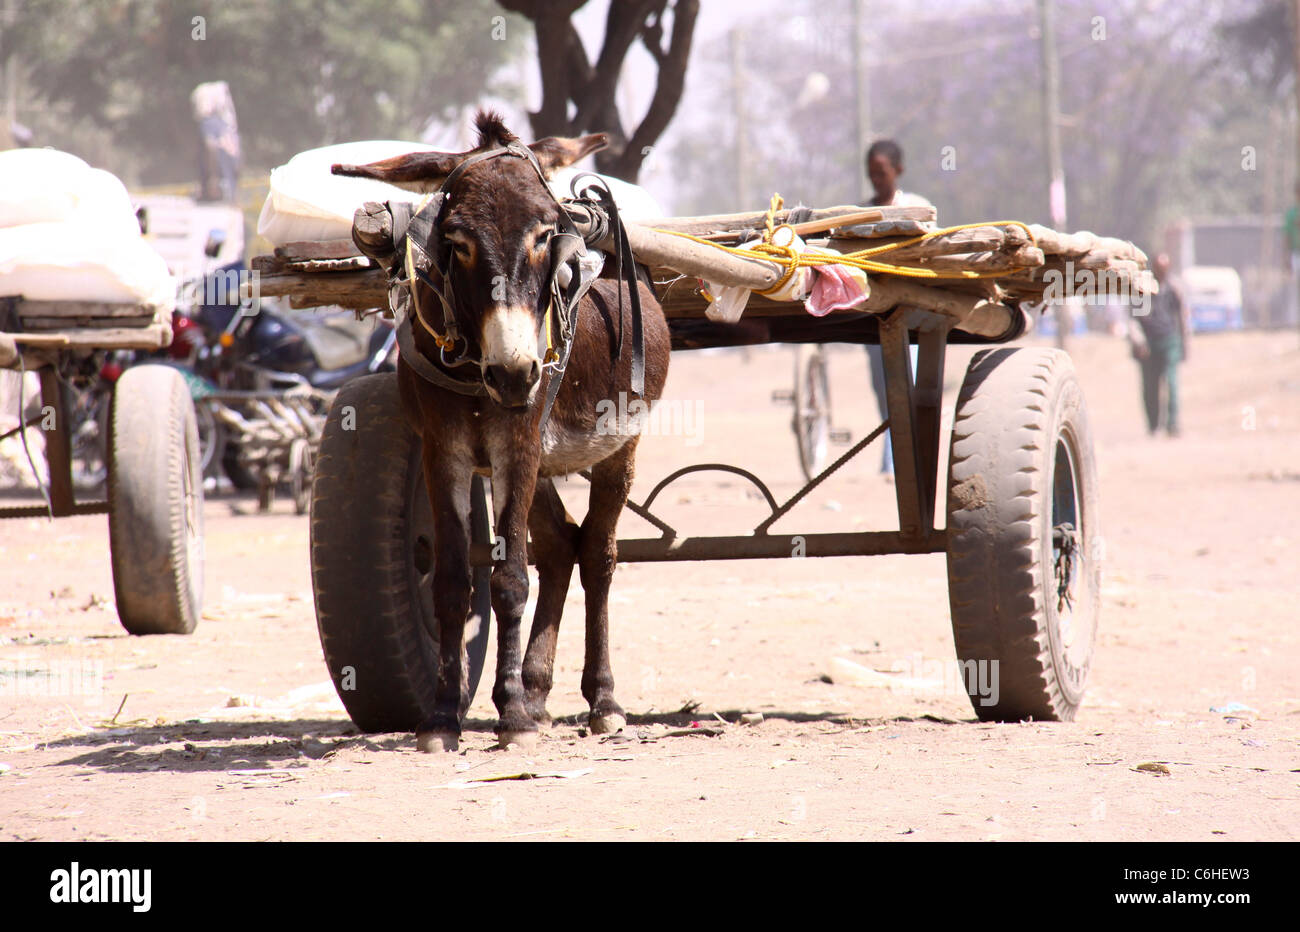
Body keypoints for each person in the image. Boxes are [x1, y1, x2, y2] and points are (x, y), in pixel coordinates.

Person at [862, 139, 931, 476]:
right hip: (874, 321)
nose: (876, 179)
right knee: (882, 392)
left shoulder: (917, 209)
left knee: (903, 390)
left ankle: (896, 465)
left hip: (911, 317)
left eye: (882, 173)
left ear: (898, 171)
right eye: (871, 173)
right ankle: (895, 460)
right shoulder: (858, 214)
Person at [1127, 253, 1189, 436]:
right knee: (1150, 387)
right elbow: (1133, 319)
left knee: (1172, 383)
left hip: (1169, 340)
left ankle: (1173, 425)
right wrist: (1138, 342)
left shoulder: (1174, 289)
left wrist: (1185, 344)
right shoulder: (1143, 289)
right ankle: (1153, 425)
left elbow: (1183, 317)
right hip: (1149, 344)